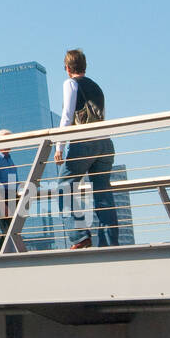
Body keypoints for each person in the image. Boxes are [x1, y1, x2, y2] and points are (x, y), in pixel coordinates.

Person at [55, 49, 119, 249]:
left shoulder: (70, 83)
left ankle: (79, 235)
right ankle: (110, 243)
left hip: (84, 142)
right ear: (85, 66)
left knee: (65, 187)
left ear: (67, 68)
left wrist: (59, 146)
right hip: (105, 144)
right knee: (103, 193)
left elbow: (67, 115)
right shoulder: (96, 86)